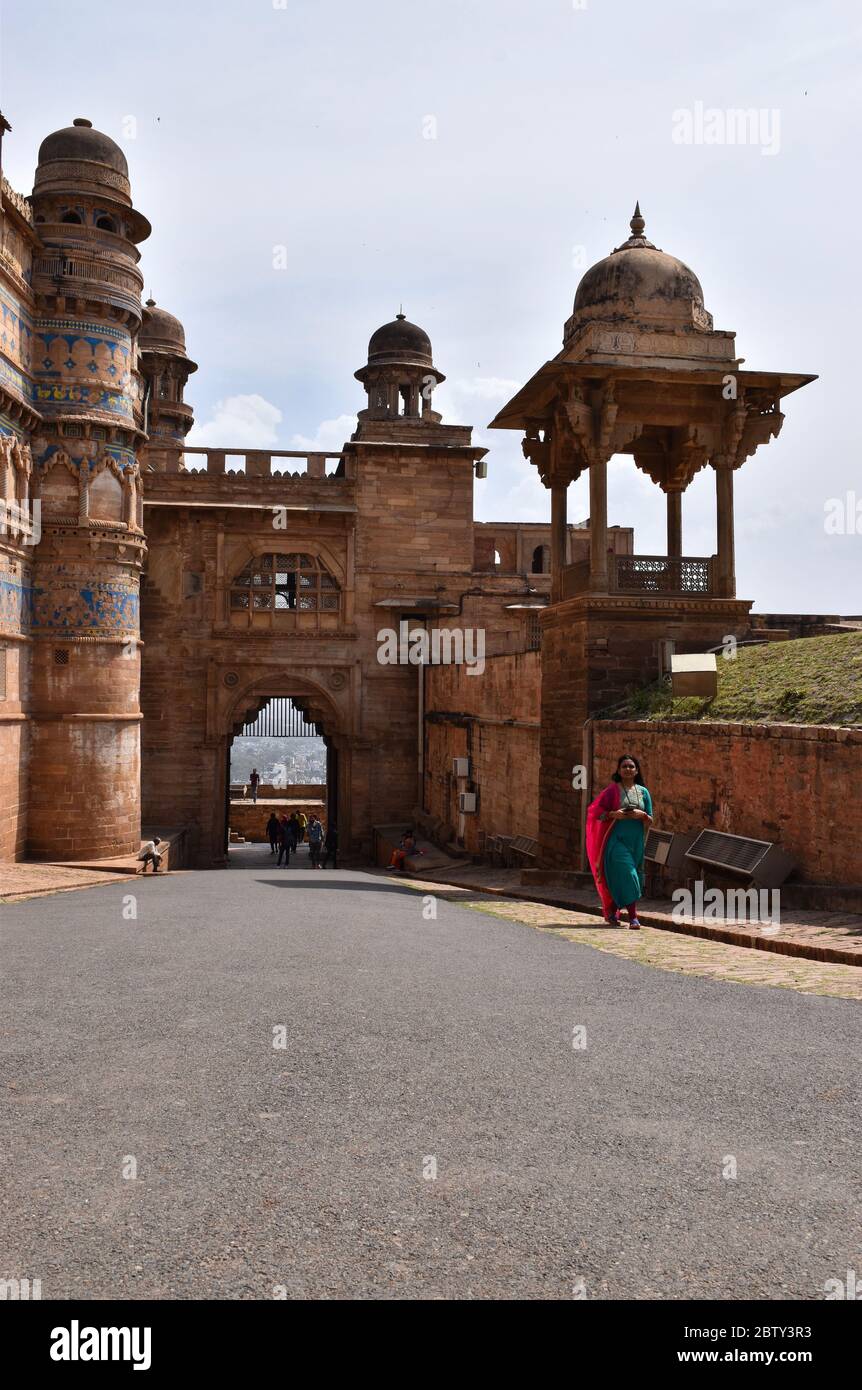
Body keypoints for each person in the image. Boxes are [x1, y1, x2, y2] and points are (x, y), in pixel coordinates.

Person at [586, 754, 653, 928]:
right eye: (624, 766)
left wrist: (642, 815)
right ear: (618, 770)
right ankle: (633, 917)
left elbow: (650, 819)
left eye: (631, 766)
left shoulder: (643, 792)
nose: (628, 769)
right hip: (615, 841)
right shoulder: (612, 791)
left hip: (636, 842)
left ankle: (613, 908)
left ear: (637, 770)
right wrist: (613, 814)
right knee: (629, 875)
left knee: (630, 876)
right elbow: (595, 811)